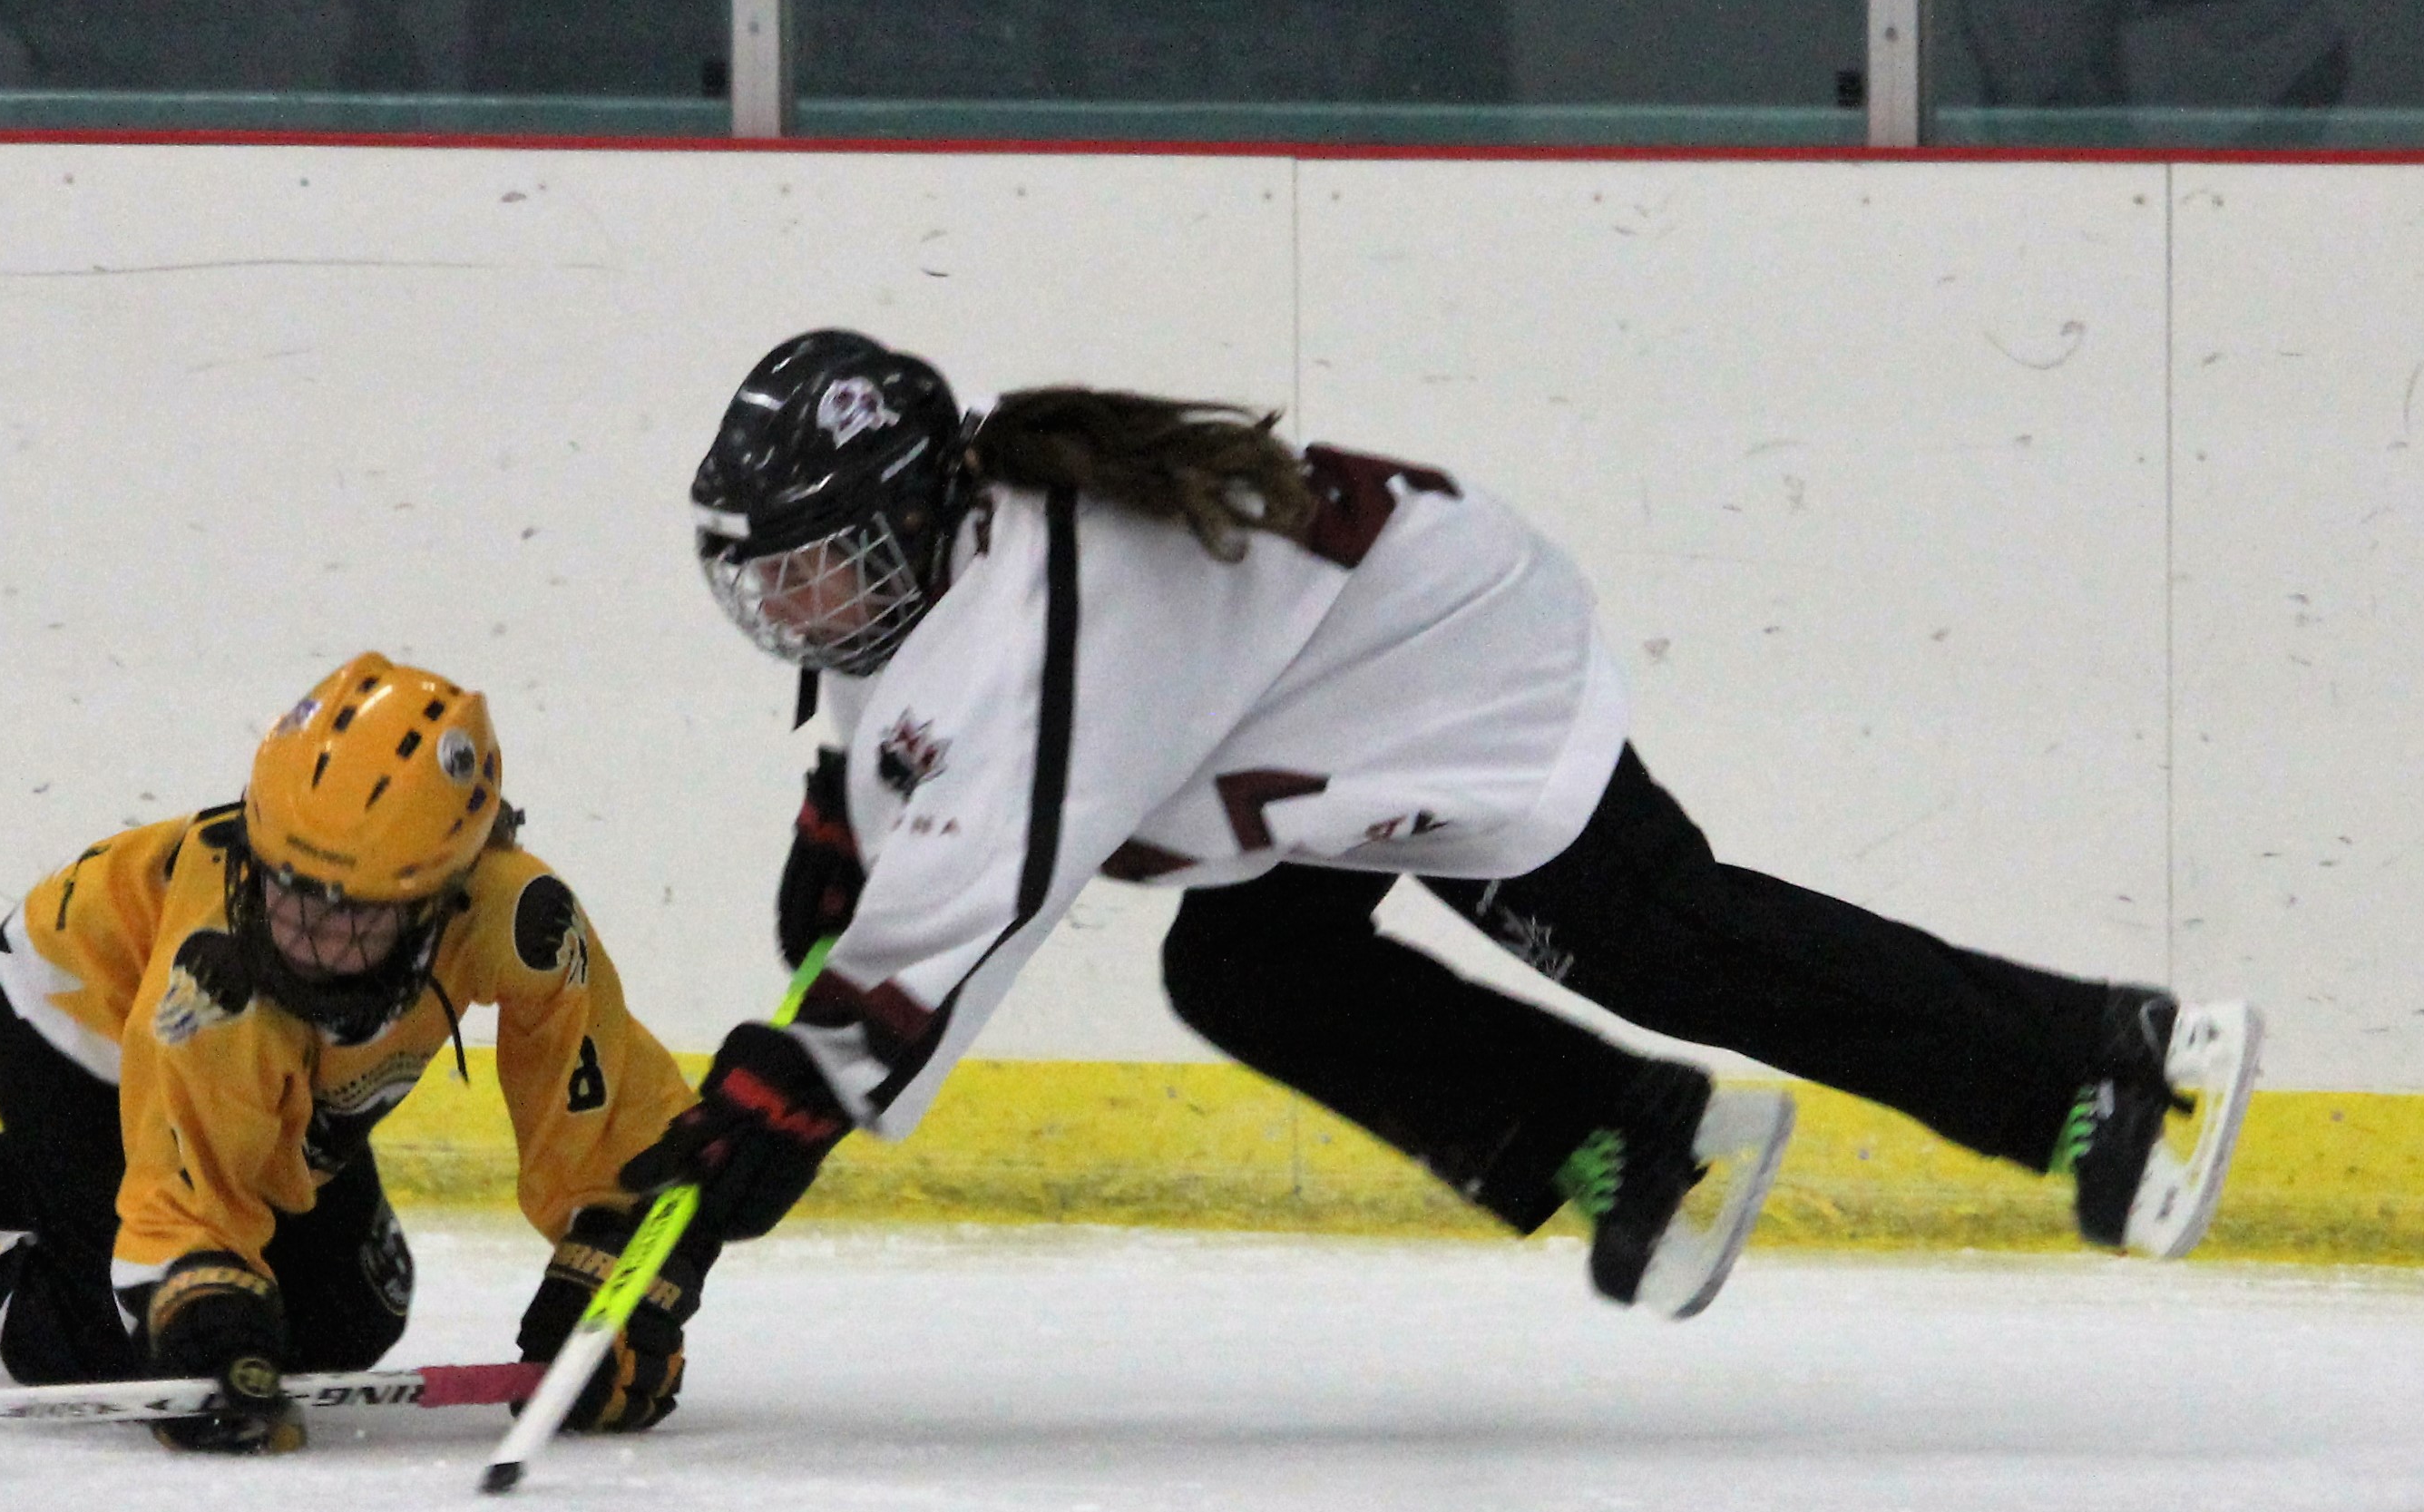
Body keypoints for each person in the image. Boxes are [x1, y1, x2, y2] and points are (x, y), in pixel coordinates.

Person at [634, 334, 2262, 1312]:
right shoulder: (946, 568)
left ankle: (2101, 1068)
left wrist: (788, 1099)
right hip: (1297, 707)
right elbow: (905, 753)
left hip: (1439, 672)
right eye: (769, 579)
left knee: (1663, 939)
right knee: (1245, 977)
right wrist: (844, 835)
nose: (795, 608)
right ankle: (1632, 1134)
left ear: (918, 511)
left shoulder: (1055, 616)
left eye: (818, 566)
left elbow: (967, 912)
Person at [0, 654, 705, 1453]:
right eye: (286, 884)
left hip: (260, 1076)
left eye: (348, 916)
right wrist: (197, 1311)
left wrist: (621, 1282)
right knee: (113, 1350)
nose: (301, 934)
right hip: (78, 1019)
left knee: (353, 1310)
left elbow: (614, 1119)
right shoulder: (212, 981)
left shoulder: (518, 914)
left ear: (447, 891)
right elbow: (186, 1205)